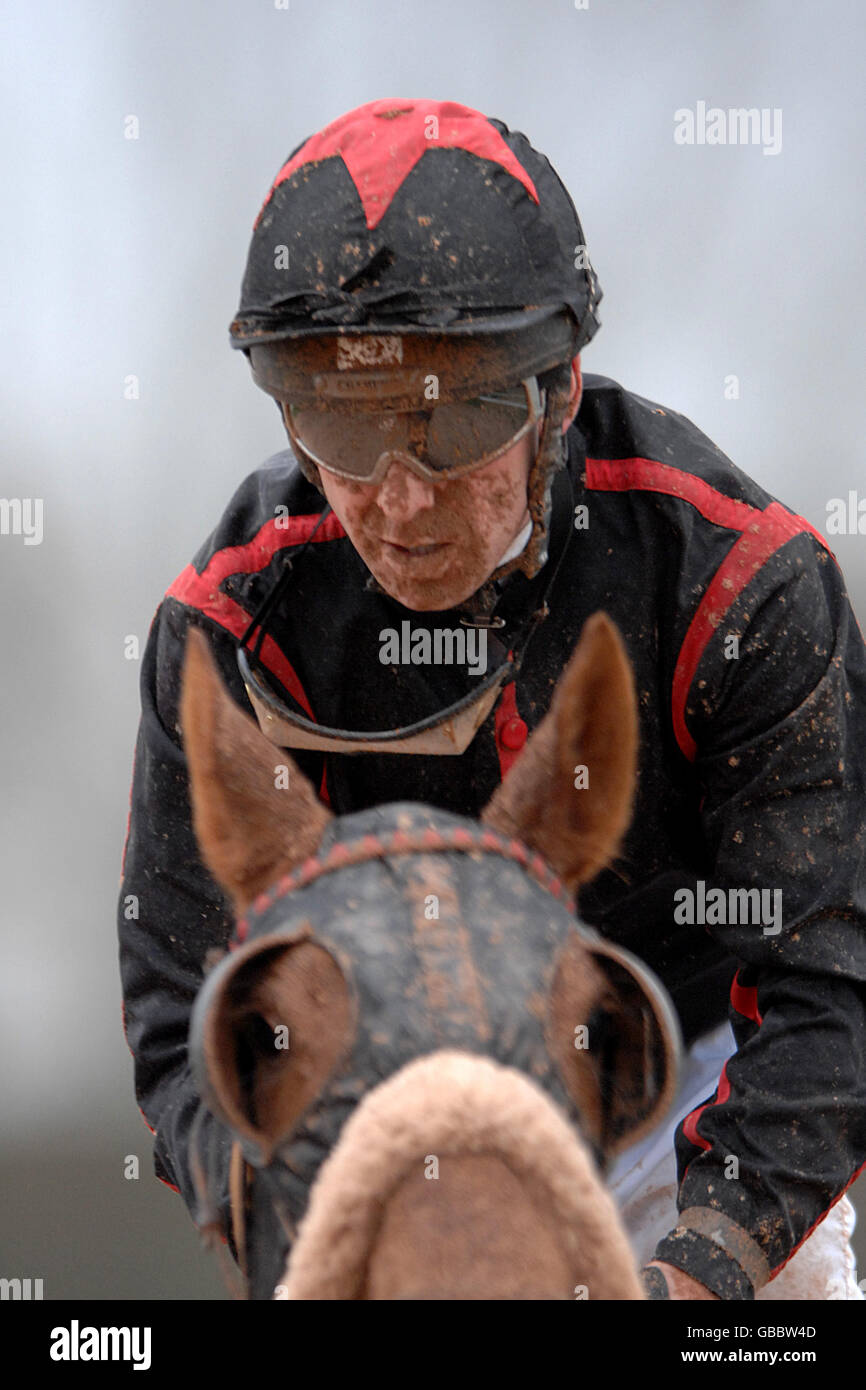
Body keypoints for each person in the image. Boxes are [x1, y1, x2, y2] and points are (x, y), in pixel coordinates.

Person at [117, 96, 866, 1300]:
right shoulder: (224, 629)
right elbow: (178, 1011)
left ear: (554, 390)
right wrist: (292, 1246)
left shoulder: (741, 585)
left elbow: (830, 986)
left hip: (681, 1084)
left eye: (446, 420)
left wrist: (695, 1275)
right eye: (339, 425)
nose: (398, 501)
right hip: (365, 1110)